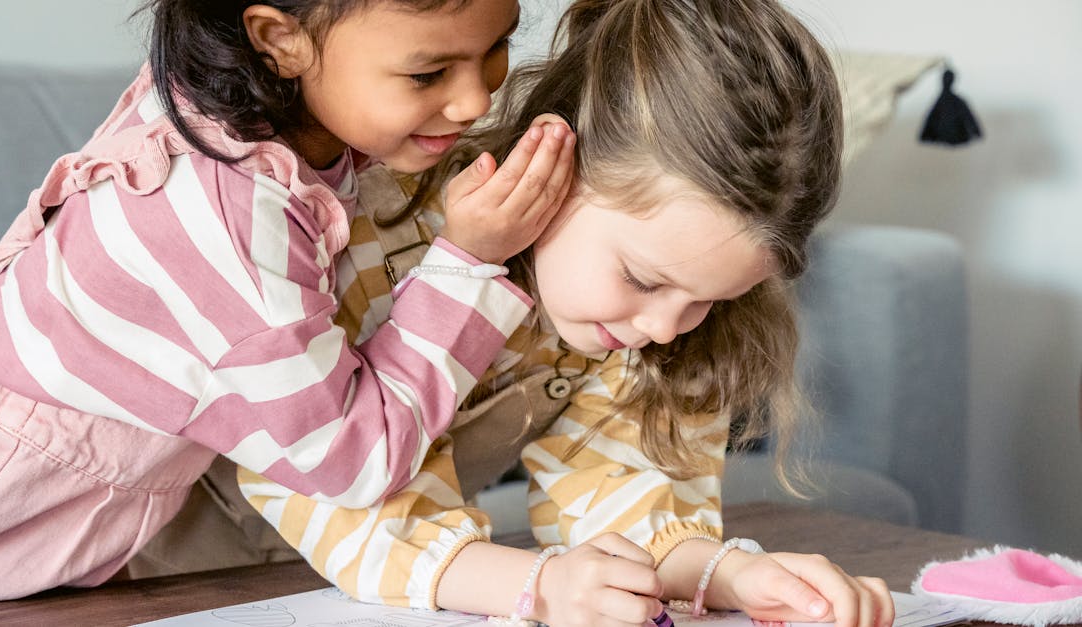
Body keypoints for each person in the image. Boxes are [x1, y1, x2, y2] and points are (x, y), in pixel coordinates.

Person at [0, 0, 577, 609]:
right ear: (278, 40)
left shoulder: (240, 103)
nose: (475, 102)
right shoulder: (227, 213)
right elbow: (355, 460)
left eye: (497, 46)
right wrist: (469, 260)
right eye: (428, 74)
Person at [233, 0, 897, 626]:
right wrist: (540, 585)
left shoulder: (634, 324)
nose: (667, 324)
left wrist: (733, 575)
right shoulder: (373, 237)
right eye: (643, 278)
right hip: (188, 573)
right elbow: (336, 489)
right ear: (557, 159)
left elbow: (619, 491)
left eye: (708, 299)